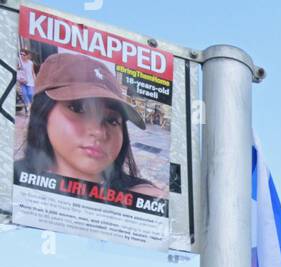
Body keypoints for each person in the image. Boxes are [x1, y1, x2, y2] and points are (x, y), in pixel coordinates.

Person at [13, 52, 166, 198]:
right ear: (42, 112)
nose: (99, 132)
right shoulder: (11, 183)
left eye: (112, 120)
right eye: (78, 108)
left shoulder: (142, 197)